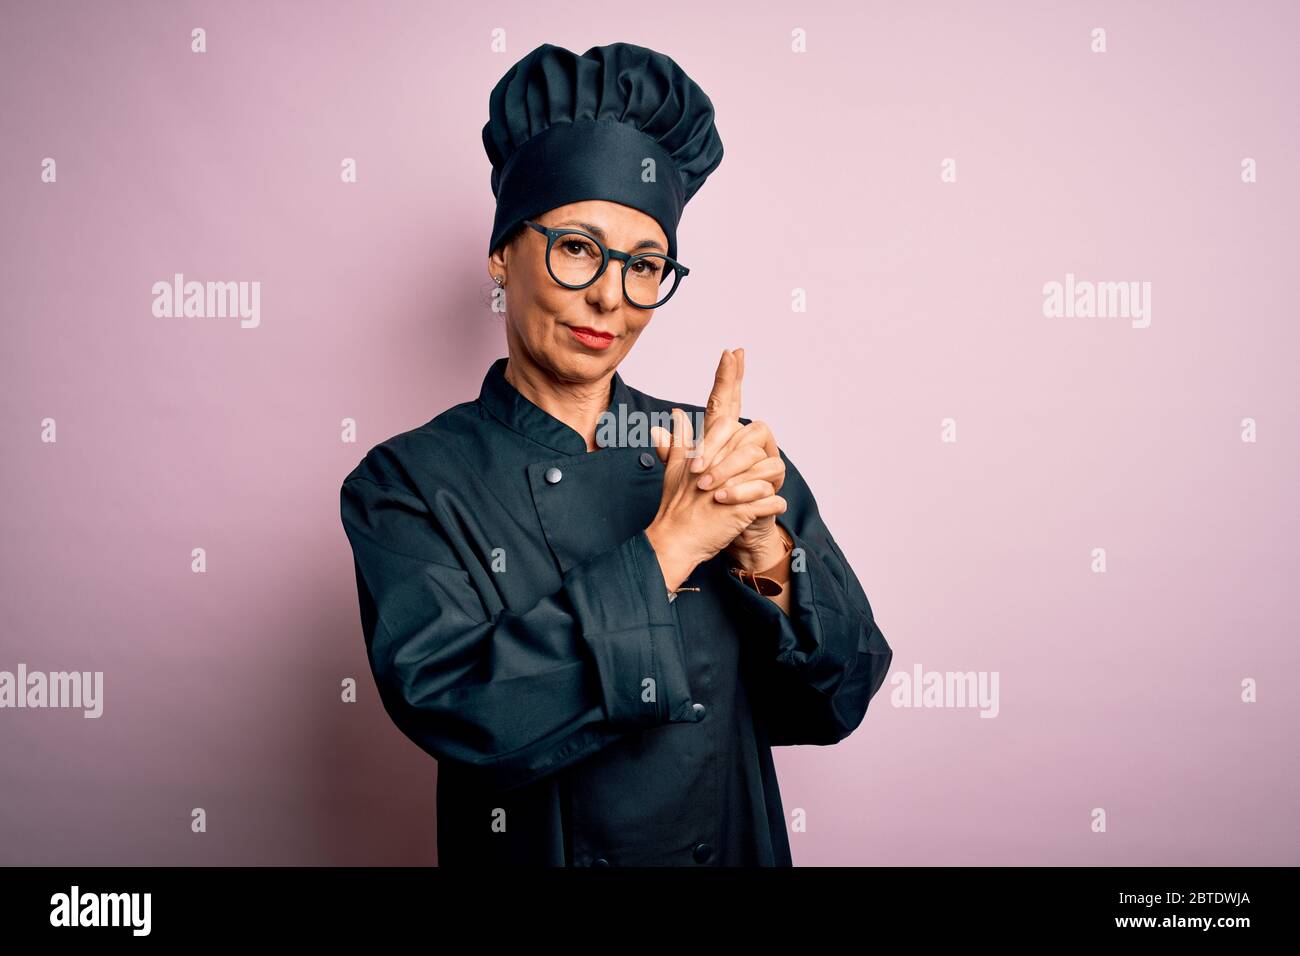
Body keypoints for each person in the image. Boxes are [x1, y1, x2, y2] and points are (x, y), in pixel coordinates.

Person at [339, 41, 893, 866]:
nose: (610, 295)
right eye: (576, 249)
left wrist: (765, 556)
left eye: (646, 266)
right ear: (502, 255)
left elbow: (835, 703)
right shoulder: (409, 481)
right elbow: (460, 712)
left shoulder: (718, 455)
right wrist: (669, 548)